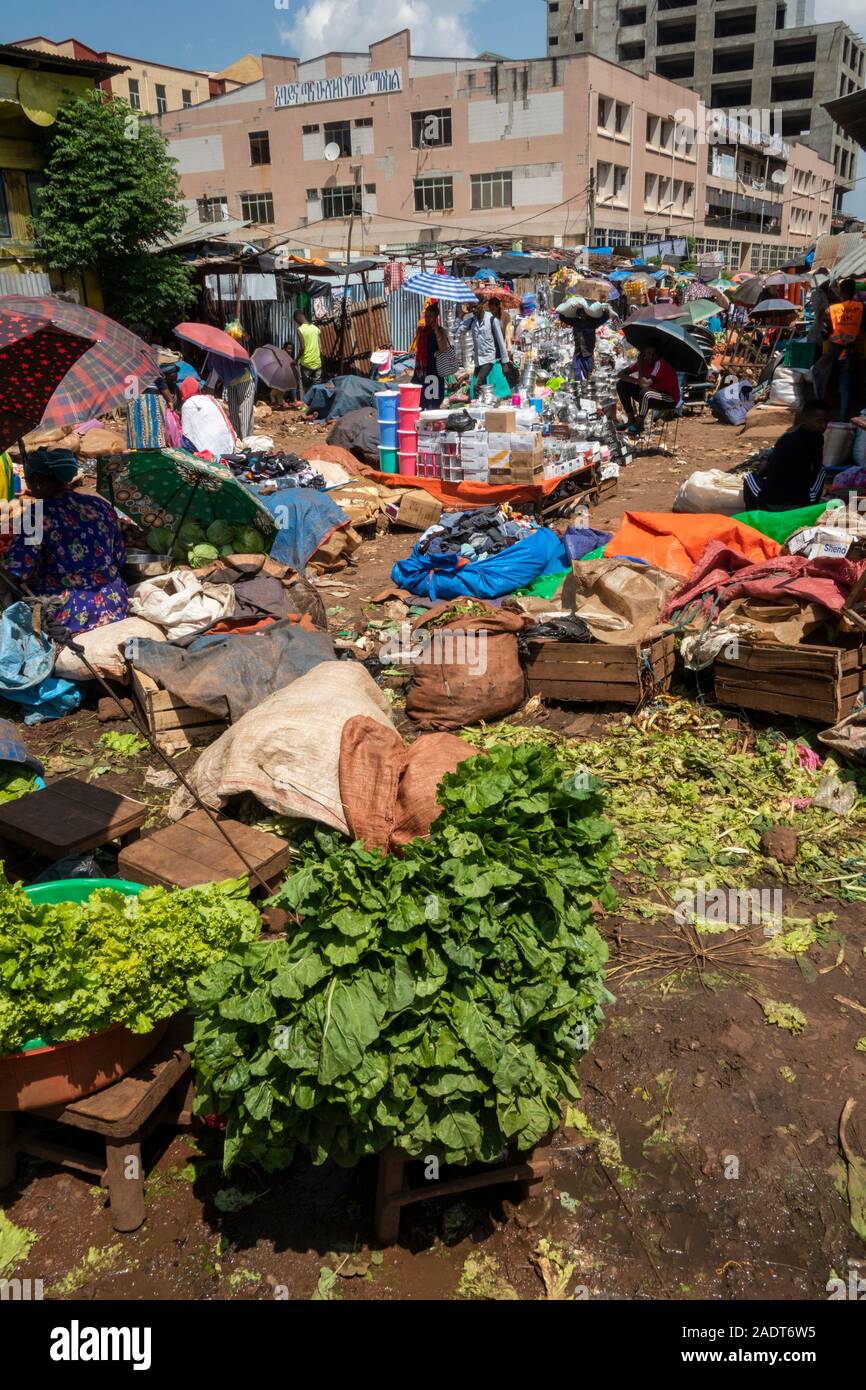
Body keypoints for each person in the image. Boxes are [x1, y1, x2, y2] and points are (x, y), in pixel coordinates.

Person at [3, 449, 128, 634]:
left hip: (68, 610)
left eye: (28, 480)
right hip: (113, 601)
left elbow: (17, 569)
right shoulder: (101, 506)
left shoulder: (36, 515)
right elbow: (120, 558)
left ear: (38, 480)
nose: (28, 485)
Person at [742, 400, 831, 511]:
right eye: (819, 421)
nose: (823, 426)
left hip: (770, 502)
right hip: (800, 502)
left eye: (826, 422)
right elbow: (816, 470)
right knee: (822, 471)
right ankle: (810, 508)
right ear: (806, 419)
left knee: (749, 477)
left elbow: (765, 469)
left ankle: (753, 515)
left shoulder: (786, 439)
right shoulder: (816, 438)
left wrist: (765, 469)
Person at [616, 344, 681, 435]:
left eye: (654, 354)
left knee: (646, 392)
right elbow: (621, 374)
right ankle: (631, 419)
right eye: (648, 353)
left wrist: (640, 367)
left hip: (669, 398)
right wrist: (635, 380)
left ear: (658, 354)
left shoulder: (660, 363)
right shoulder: (644, 361)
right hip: (652, 393)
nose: (651, 356)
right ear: (644, 354)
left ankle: (639, 423)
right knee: (621, 384)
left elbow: (645, 384)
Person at [824, 277, 864, 422]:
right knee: (850, 383)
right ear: (854, 291)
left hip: (836, 350)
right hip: (856, 350)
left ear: (841, 291)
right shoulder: (861, 307)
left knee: (835, 382)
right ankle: (849, 414)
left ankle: (840, 417)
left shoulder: (833, 309)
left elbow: (826, 331)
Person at [457, 294, 510, 391]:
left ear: (481, 305)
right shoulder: (472, 321)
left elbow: (501, 342)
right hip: (478, 361)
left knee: (477, 385)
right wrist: (462, 314)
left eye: (475, 307)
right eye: (471, 308)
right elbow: (457, 330)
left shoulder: (492, 320)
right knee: (478, 390)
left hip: (489, 359)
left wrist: (505, 362)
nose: (473, 310)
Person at [204, 351, 257, 440]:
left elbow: (213, 378)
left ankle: (243, 443)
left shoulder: (215, 353)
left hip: (242, 380)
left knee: (240, 414)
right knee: (238, 414)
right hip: (235, 381)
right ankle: (242, 442)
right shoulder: (224, 351)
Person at [412, 303, 452, 407]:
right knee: (420, 401)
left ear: (435, 317)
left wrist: (436, 331)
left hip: (434, 372)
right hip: (421, 371)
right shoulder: (422, 330)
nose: (427, 319)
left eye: (430, 316)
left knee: (433, 402)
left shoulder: (440, 331)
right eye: (426, 316)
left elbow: (443, 348)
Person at [563, 299, 609, 381]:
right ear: (579, 314)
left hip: (588, 354)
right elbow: (562, 317)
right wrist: (565, 305)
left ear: (587, 313)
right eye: (581, 312)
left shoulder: (593, 323)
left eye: (584, 312)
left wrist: (605, 309)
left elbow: (605, 317)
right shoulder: (575, 322)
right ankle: (579, 389)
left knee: (588, 375)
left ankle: (588, 390)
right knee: (577, 374)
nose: (582, 314)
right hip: (577, 353)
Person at [294, 309, 322, 393]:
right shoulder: (315, 329)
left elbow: (302, 348)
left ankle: (307, 405)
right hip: (317, 363)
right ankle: (317, 405)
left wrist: (296, 360)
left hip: (306, 364)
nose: (297, 323)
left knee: (307, 389)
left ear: (297, 318)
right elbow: (321, 348)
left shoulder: (300, 330)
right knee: (317, 389)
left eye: (296, 321)